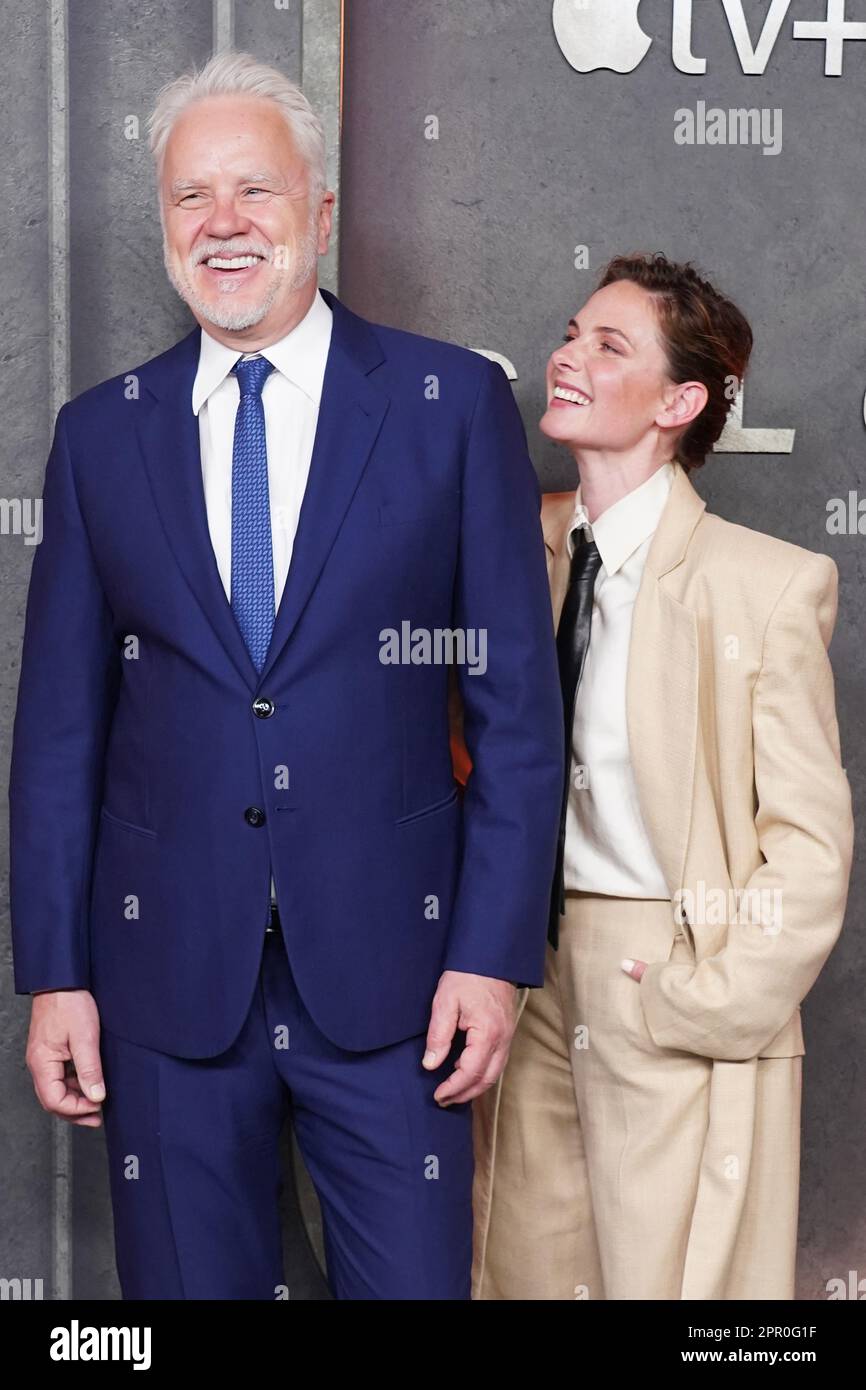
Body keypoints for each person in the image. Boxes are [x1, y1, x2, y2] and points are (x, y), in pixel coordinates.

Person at [8, 51, 564, 1300]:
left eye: (253, 191)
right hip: (165, 993)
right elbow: (57, 734)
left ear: (317, 212)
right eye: (189, 199)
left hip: (400, 986)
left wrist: (491, 952)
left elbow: (517, 716)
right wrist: (56, 973)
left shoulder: (449, 408)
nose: (221, 226)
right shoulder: (101, 436)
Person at [468, 252, 854, 1300]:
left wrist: (709, 996)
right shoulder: (514, 550)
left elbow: (808, 843)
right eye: (568, 333)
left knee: (670, 1290)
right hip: (523, 963)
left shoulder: (767, 584)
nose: (565, 357)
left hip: (664, 967)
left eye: (608, 344)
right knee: (519, 1274)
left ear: (680, 400)